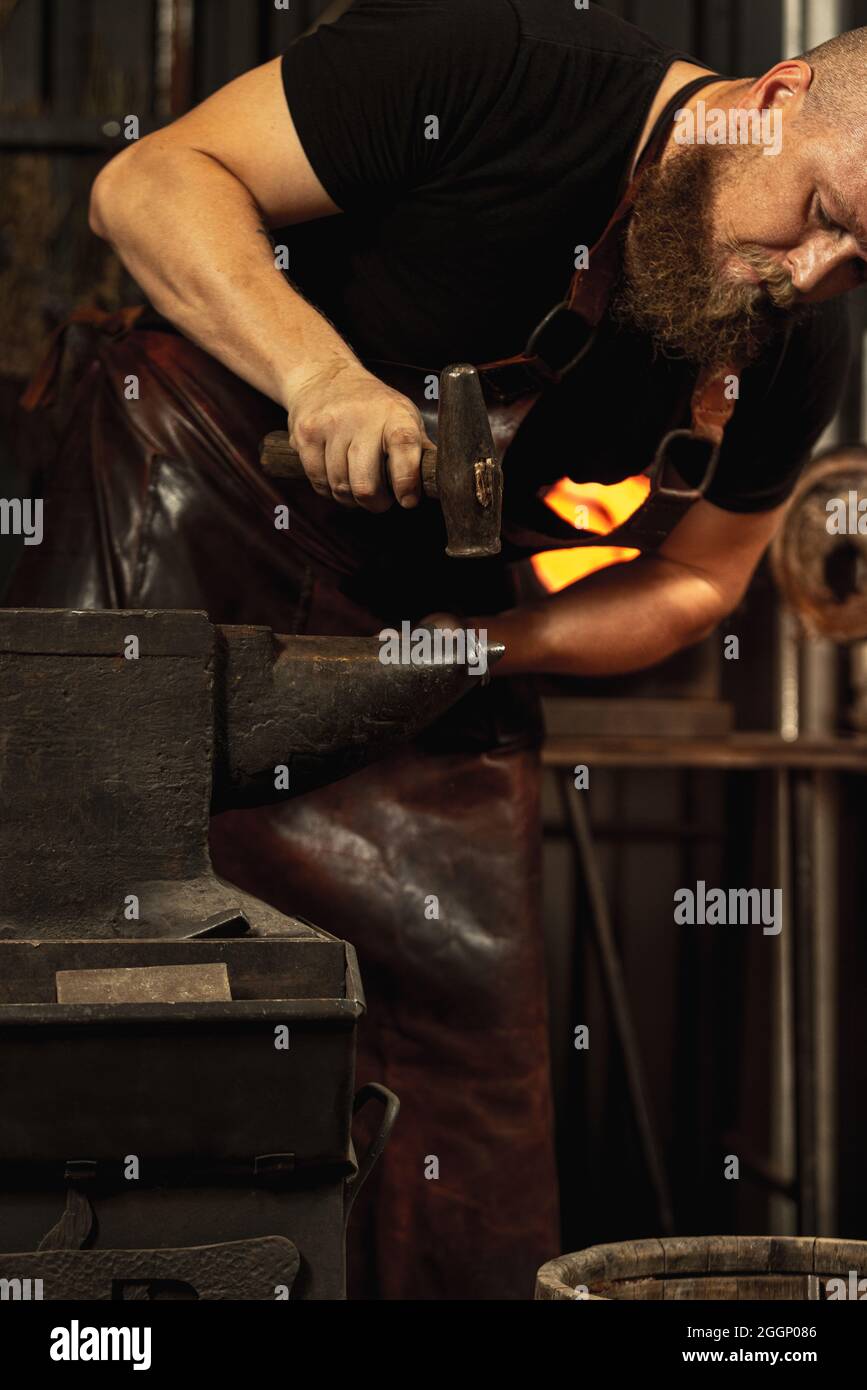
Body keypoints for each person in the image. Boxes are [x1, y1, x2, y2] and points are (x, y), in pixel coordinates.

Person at [19, 2, 864, 1297]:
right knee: (114, 1022)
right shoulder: (497, 65)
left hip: (423, 632)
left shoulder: (798, 335)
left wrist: (477, 644)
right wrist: (323, 378)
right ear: (777, 87)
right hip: (173, 552)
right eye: (819, 211)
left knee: (468, 1095)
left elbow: (697, 585)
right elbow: (146, 183)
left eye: (858, 260)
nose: (813, 274)